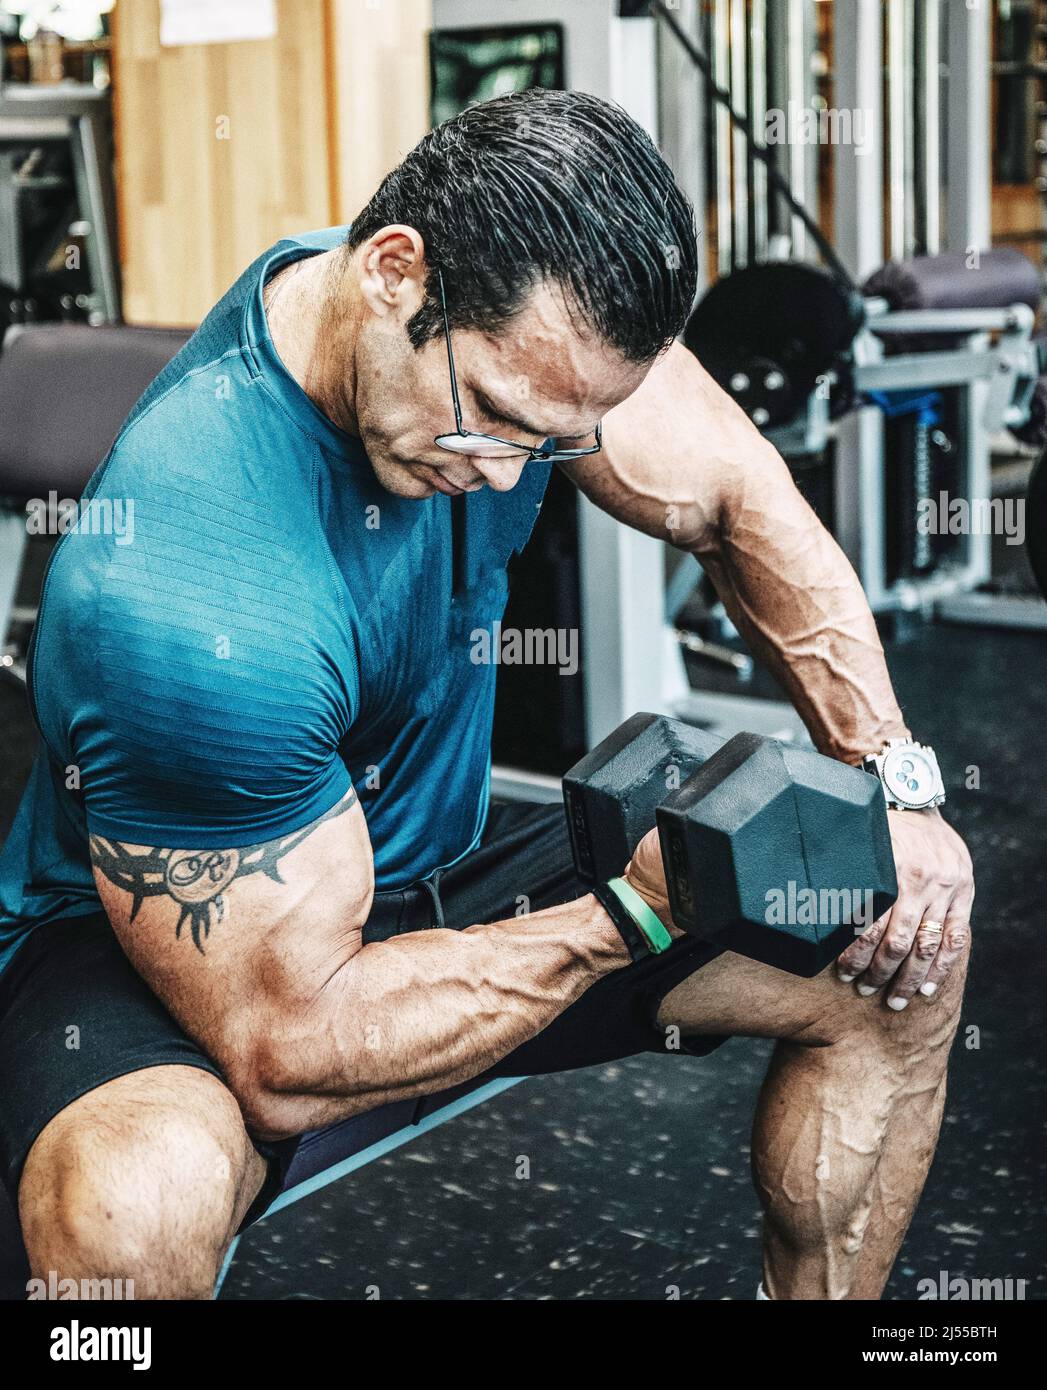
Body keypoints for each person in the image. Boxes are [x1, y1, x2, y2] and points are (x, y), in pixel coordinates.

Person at [0, 89, 973, 1300]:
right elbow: (289, 1051)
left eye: (557, 442)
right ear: (394, 275)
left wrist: (897, 781)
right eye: (496, 424)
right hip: (189, 957)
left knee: (902, 953)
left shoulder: (530, 337)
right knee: (129, 1209)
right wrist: (639, 912)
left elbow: (740, 494)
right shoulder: (188, 593)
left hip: (442, 868)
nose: (507, 474)